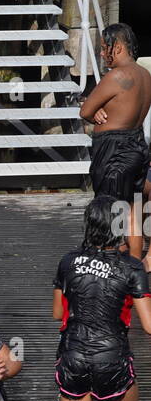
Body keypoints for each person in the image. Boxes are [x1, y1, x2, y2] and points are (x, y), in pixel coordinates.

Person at [53, 194, 151, 401]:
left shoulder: (68, 261)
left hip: (72, 355)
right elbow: (149, 325)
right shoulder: (132, 267)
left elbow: (58, 312)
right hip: (111, 358)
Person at [79, 22, 151, 259]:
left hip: (115, 151)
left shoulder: (117, 75)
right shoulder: (145, 74)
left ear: (118, 47)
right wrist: (99, 110)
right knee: (134, 208)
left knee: (111, 210)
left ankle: (111, 264)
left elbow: (86, 111)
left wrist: (94, 111)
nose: (102, 53)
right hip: (137, 145)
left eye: (104, 47)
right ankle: (135, 263)